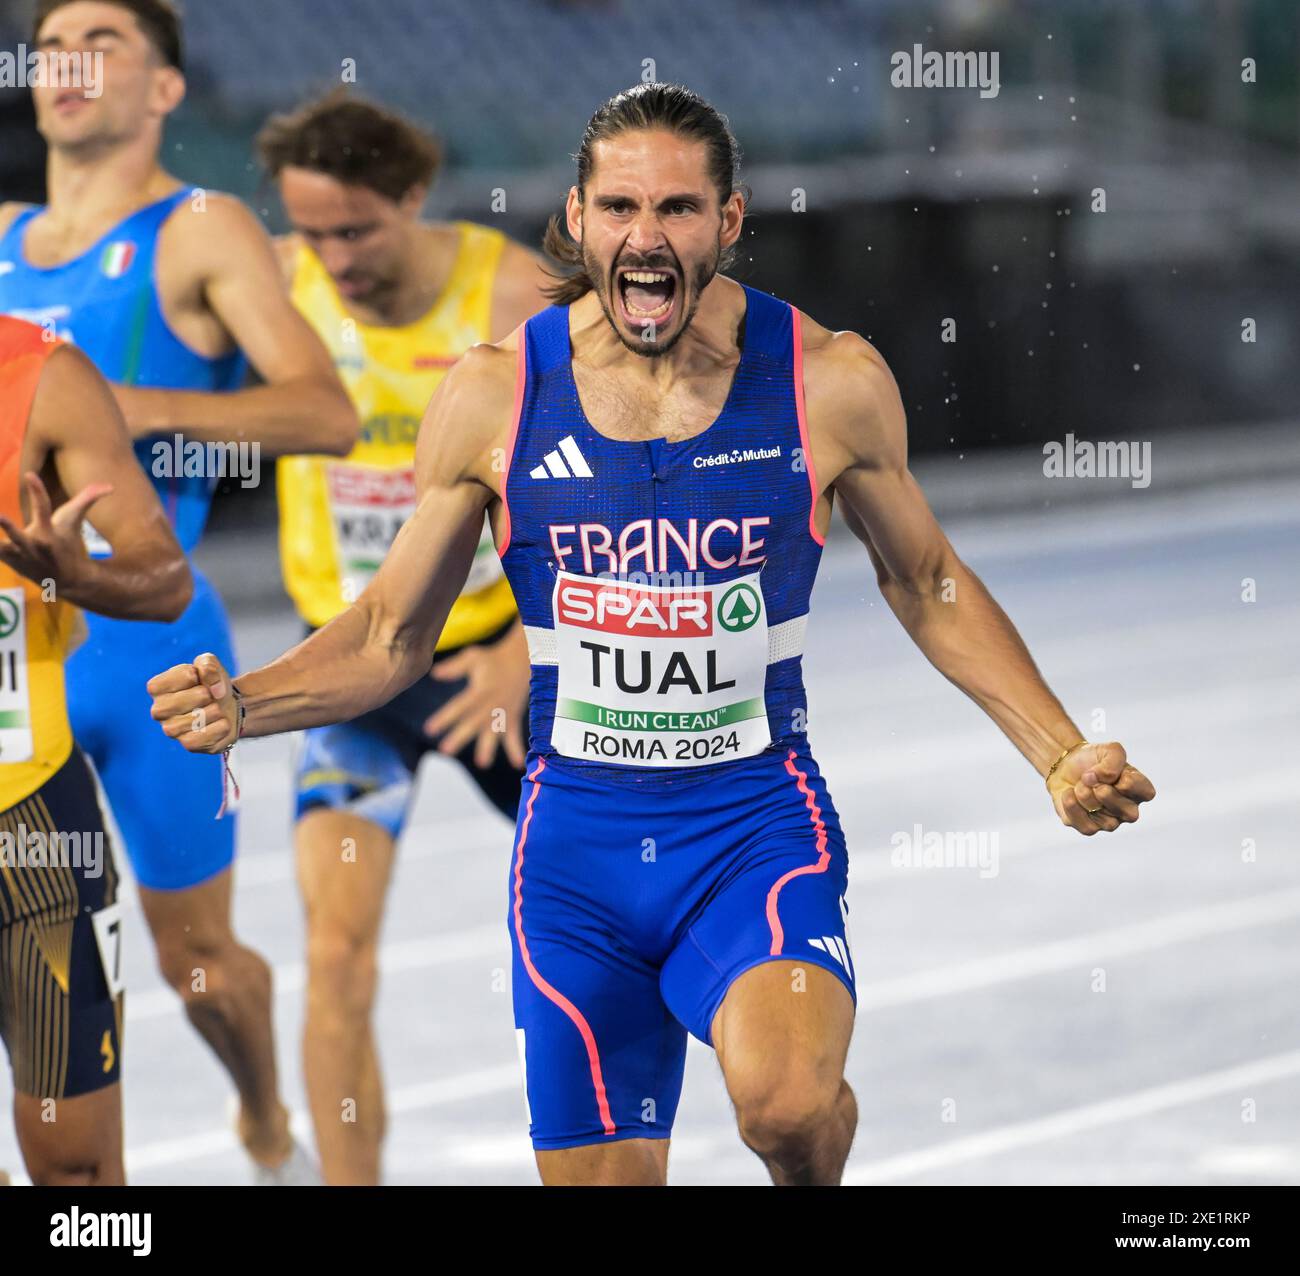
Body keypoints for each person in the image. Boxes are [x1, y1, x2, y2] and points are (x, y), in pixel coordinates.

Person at [146, 83, 1157, 1187]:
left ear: (728, 223)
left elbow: (925, 581)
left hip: (753, 830)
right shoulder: (494, 395)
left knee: (784, 1106)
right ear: (576, 221)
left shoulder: (830, 382)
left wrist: (1058, 751)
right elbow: (391, 632)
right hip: (575, 852)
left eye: (678, 209)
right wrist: (247, 702)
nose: (646, 235)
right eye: (619, 207)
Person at [0, 0, 359, 1181]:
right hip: (18, 661)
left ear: (164, 89)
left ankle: (261, 1107)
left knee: (194, 961)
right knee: (41, 958)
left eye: (102, 42)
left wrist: (127, 412)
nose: (69, 65)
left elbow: (324, 409)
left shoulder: (197, 229)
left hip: (144, 639)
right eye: (52, 44)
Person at [256, 91, 549, 1184]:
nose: (332, 259)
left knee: (607, 932)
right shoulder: (275, 285)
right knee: (334, 958)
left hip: (488, 666)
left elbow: (616, 484)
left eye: (357, 231)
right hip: (352, 679)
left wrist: (530, 652)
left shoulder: (513, 295)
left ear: (414, 197)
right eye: (312, 232)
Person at [0, 314, 191, 1184]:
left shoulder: (41, 374)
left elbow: (164, 577)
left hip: (30, 826)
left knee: (76, 1170)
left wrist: (74, 576)